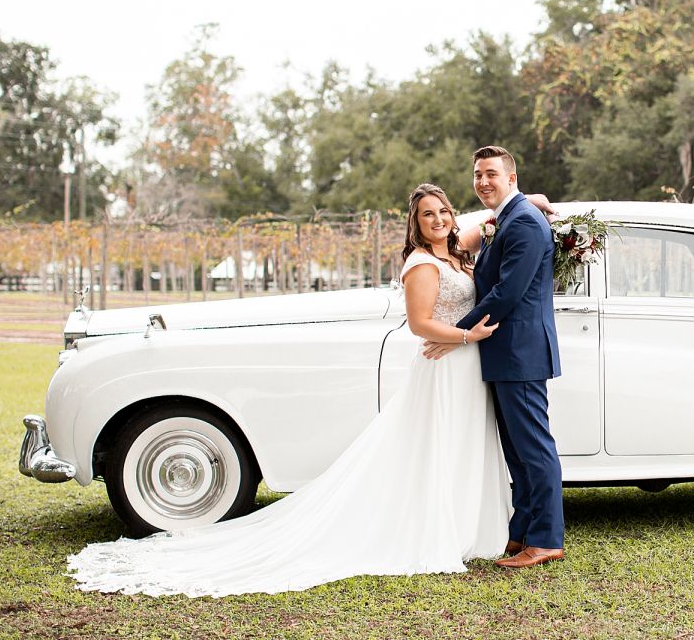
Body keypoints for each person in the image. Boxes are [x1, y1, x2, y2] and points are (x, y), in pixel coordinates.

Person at [66, 184, 510, 597]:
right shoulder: (422, 263)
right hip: (444, 363)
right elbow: (419, 325)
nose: (437, 219)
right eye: (427, 214)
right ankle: (439, 529)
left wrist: (528, 205)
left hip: (464, 366)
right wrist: (469, 337)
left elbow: (483, 225)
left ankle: (463, 527)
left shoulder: (457, 254)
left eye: (443, 211)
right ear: (416, 225)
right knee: (436, 447)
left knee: (461, 445)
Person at [425, 145, 565, 569]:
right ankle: (521, 531)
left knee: (533, 448)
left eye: (491, 174)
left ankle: (546, 538)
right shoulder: (510, 217)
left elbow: (506, 293)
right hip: (504, 351)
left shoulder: (523, 222)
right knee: (516, 450)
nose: (483, 181)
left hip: (520, 351)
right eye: (477, 174)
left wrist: (457, 333)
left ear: (511, 178)